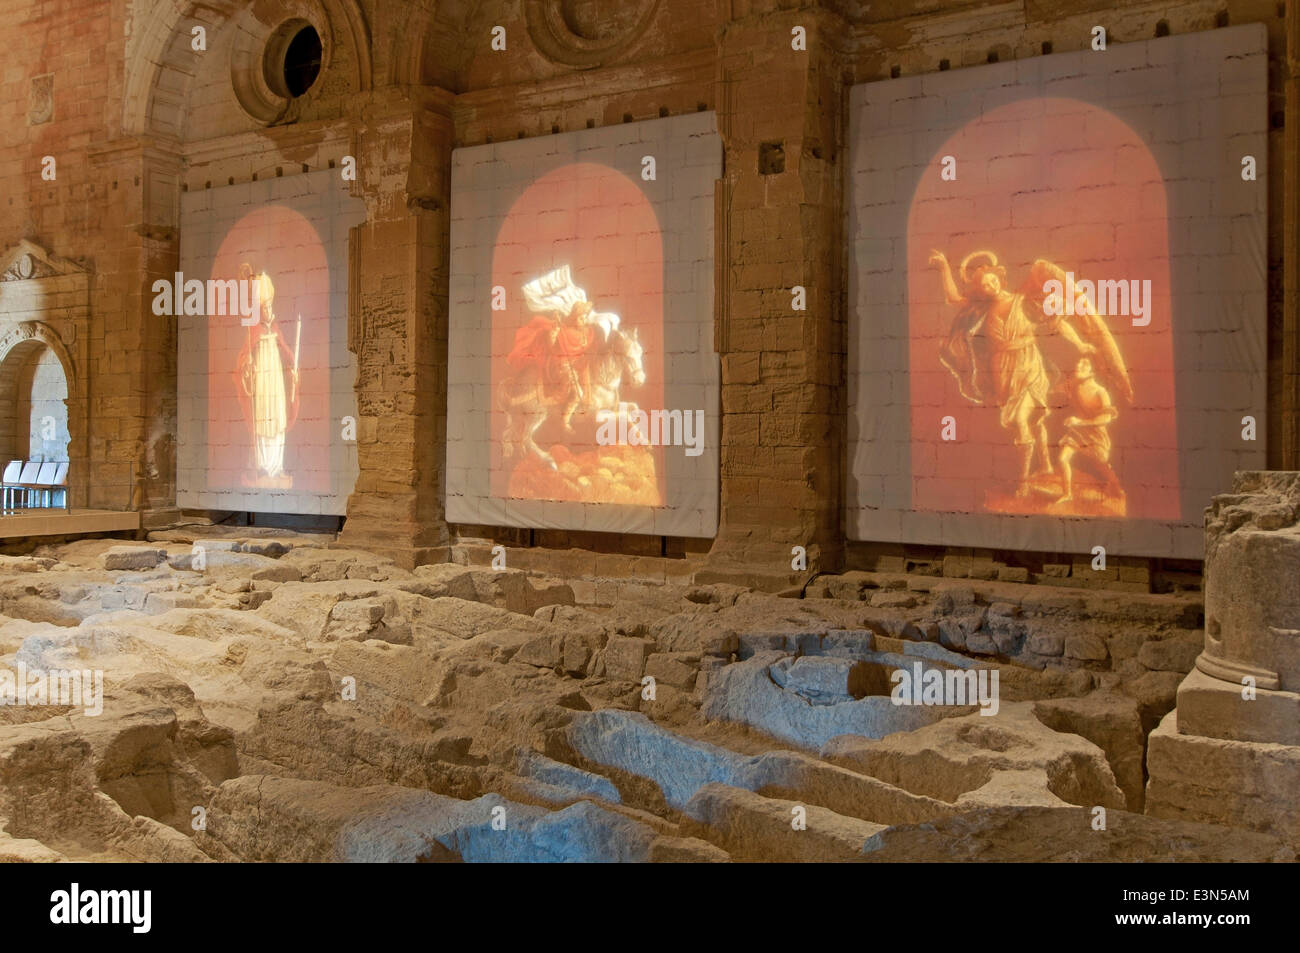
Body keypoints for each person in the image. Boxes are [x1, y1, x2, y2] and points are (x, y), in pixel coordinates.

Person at [931, 250, 1097, 498]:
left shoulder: (1022, 301)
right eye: (985, 285)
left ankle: (1024, 482)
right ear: (981, 290)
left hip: (1029, 364)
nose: (991, 285)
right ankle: (1045, 465)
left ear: (999, 277)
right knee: (1033, 419)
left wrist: (1080, 345)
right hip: (1003, 372)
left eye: (993, 280)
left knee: (1021, 419)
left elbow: (1057, 322)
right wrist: (945, 266)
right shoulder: (980, 308)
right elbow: (953, 298)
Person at [233, 264, 299, 480]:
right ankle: (262, 465)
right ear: (260, 309)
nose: (269, 311)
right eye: (265, 307)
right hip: (262, 379)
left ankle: (277, 466)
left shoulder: (276, 329)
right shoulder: (253, 330)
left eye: (270, 306)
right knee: (262, 418)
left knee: (278, 417)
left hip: (276, 379)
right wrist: (248, 367)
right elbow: (244, 358)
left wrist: (291, 372)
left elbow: (286, 354)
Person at [1057, 356, 1124, 505]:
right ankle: (1067, 494)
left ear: (1092, 371)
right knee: (1062, 459)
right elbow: (1053, 389)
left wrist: (1080, 422)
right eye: (1078, 362)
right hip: (1078, 433)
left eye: (1084, 364)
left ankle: (1116, 486)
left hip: (1096, 435)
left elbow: (1106, 419)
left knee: (1101, 463)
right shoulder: (1074, 385)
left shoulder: (1100, 392)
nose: (1078, 366)